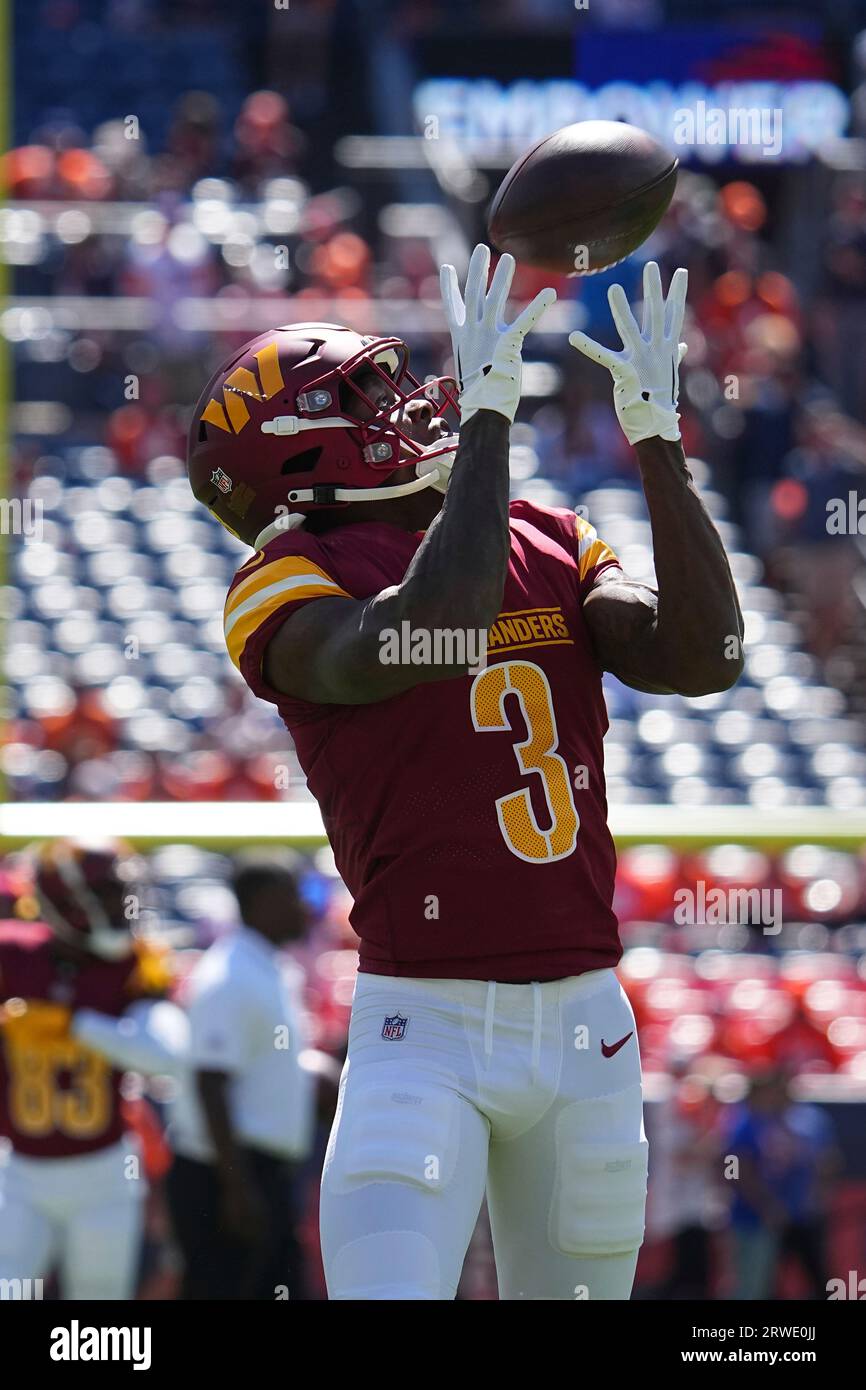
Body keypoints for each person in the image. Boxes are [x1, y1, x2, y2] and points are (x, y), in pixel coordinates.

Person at [186, 248, 744, 1300]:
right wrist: (490, 425)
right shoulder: (286, 580)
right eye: (363, 396)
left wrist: (658, 443)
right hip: (421, 1027)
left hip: (587, 1022)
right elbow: (433, 623)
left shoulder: (549, 534)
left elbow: (703, 659)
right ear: (296, 455)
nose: (407, 401)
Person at [0, 838, 172, 1300]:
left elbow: (164, 1056)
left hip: (104, 1171)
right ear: (64, 899)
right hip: (20, 1172)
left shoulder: (137, 964)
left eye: (122, 890)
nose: (122, 904)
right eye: (105, 892)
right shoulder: (12, 955)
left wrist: (73, 1024)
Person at [166, 852, 314, 1300]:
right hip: (224, 1175)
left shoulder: (268, 967)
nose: (304, 908)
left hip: (257, 1173)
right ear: (263, 903)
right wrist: (238, 1187)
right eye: (293, 896)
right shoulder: (228, 976)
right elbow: (211, 1082)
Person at [726, 1068, 840, 1300]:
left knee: (803, 1274)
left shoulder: (795, 1119)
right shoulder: (744, 1124)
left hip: (791, 1213)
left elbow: (827, 1160)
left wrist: (817, 1195)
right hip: (754, 1216)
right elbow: (735, 1171)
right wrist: (764, 1203)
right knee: (753, 1283)